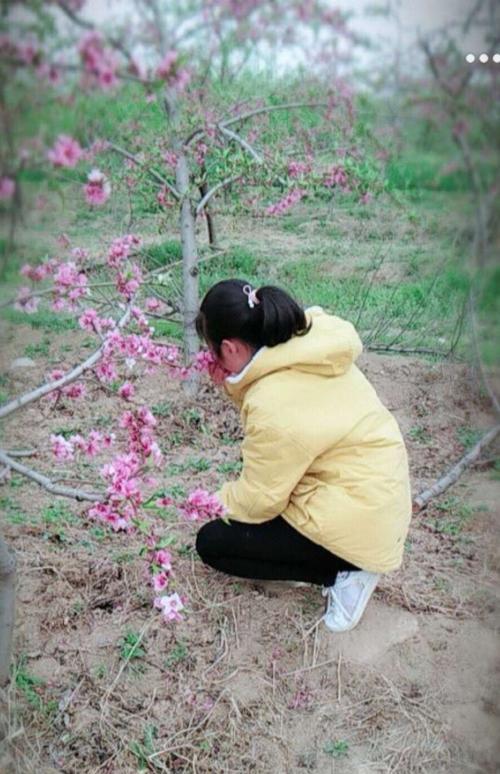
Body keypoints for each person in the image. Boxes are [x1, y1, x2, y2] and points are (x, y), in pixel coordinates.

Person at [194, 279, 412, 632]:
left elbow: (259, 501)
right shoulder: (304, 343)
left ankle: (345, 571)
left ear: (231, 348)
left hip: (360, 519)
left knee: (214, 542)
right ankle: (333, 559)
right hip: (376, 496)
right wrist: (235, 383)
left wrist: (206, 503)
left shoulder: (273, 401)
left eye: (214, 351)